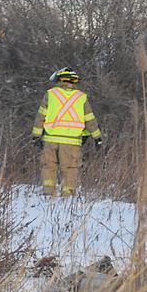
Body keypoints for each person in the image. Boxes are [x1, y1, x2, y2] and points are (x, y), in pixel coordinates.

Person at [31, 67, 102, 197]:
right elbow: (90, 119)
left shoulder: (51, 94)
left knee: (48, 167)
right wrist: (97, 137)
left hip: (50, 140)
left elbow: (40, 116)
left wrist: (36, 136)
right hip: (72, 142)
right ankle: (67, 196)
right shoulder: (81, 97)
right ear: (74, 81)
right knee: (70, 169)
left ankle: (48, 194)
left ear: (59, 80)